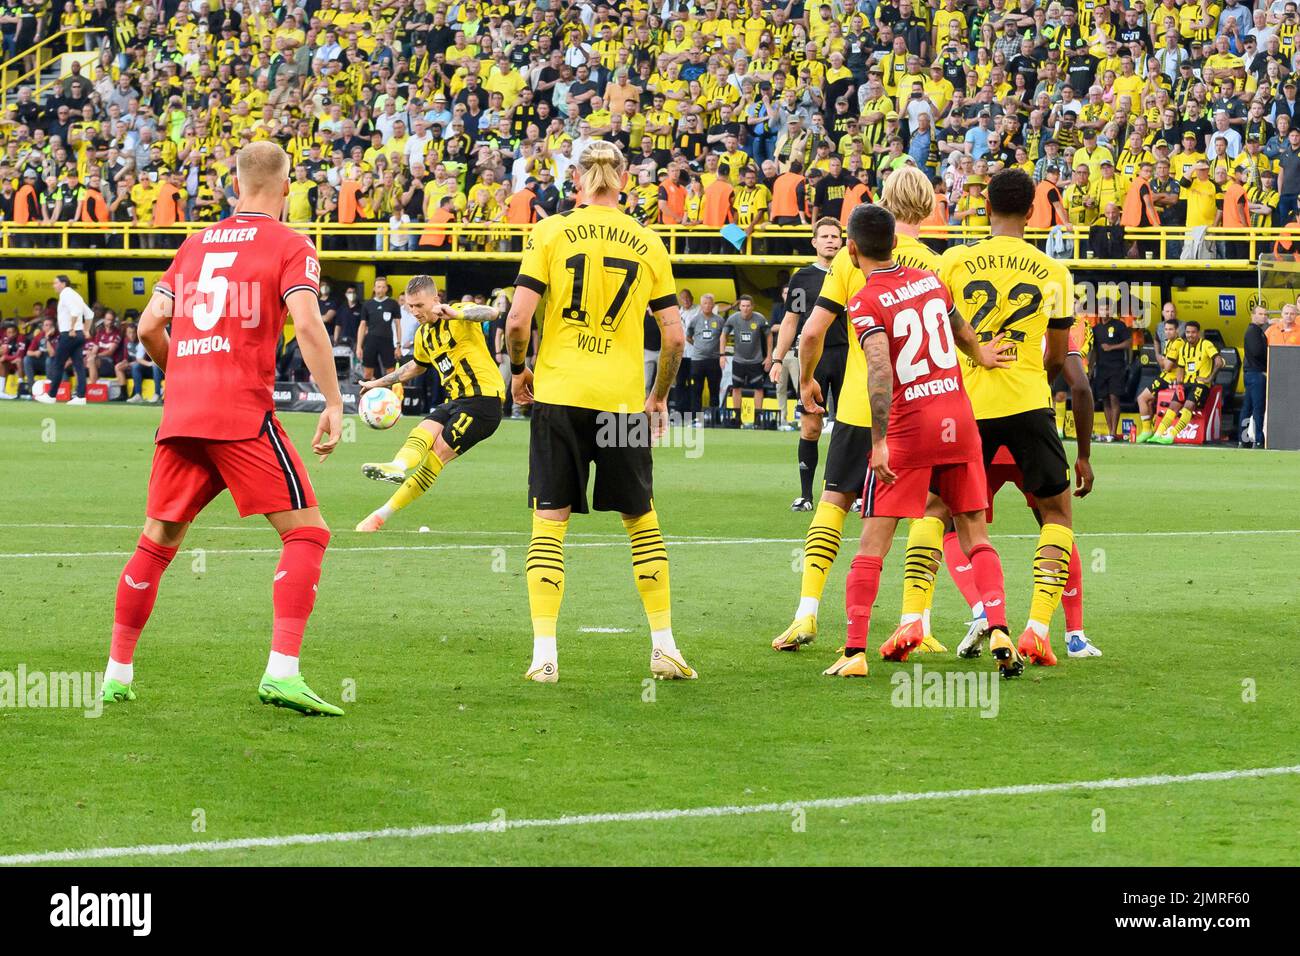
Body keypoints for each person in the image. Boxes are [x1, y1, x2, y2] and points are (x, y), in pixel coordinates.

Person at [99, 141, 345, 716]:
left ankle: (116, 674)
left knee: (156, 542)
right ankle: (282, 671)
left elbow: (148, 326)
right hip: (241, 414)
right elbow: (307, 322)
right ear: (287, 188)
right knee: (307, 534)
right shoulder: (290, 245)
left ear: (236, 184)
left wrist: (184, 373)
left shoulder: (194, 244)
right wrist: (333, 401)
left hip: (183, 413)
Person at [505, 140, 694, 684]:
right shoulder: (648, 241)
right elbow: (674, 335)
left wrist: (520, 369)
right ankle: (664, 647)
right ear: (624, 181)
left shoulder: (550, 231)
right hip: (620, 401)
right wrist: (657, 396)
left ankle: (545, 655)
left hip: (560, 395)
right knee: (641, 522)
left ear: (576, 181)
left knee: (549, 524)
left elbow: (519, 321)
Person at [824, 203, 1016, 678]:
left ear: (851, 249)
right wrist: (983, 357)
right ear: (894, 242)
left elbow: (879, 369)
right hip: (958, 415)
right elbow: (957, 327)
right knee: (975, 535)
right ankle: (998, 627)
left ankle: (853, 654)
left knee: (873, 544)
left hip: (911, 427)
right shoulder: (931, 281)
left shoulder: (865, 300)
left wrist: (881, 439)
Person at [937, 168, 1094, 669]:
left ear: (986, 208)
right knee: (1056, 516)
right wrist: (1029, 371)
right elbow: (1057, 354)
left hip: (967, 407)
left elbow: (942, 332)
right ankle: (1038, 629)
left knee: (943, 512)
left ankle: (924, 619)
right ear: (1034, 212)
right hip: (1029, 403)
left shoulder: (955, 261)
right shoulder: (1054, 270)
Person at [354, 277, 505, 532]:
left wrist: (456, 314)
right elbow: (415, 367)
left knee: (434, 457)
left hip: (484, 403)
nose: (414, 311)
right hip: (456, 400)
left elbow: (492, 312)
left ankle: (379, 516)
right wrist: (377, 383)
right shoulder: (424, 336)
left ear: (435, 300)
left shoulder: (460, 314)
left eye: (418, 305)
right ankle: (397, 466)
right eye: (410, 306)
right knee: (423, 430)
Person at [770, 217, 843, 509]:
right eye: (824, 236)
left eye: (835, 236)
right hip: (815, 357)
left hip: (850, 355)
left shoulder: (855, 273)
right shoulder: (803, 278)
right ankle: (806, 495)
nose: (830, 240)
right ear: (814, 242)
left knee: (853, 429)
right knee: (811, 426)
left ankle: (853, 494)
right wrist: (777, 358)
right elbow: (791, 321)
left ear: (842, 241)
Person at [1149, 320, 1223, 445]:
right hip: (1186, 384)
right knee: (1172, 407)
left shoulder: (1206, 344)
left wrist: (1209, 379)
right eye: (1188, 332)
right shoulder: (1183, 348)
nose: (1190, 335)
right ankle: (1157, 434)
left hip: (1201, 385)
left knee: (1188, 406)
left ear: (1198, 333)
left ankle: (1172, 435)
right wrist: (1179, 385)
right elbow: (1181, 369)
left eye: (1193, 332)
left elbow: (1219, 361)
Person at [36, 275, 94, 405]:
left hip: (69, 334)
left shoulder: (66, 294)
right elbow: (89, 313)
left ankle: (51, 396)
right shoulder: (76, 295)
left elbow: (75, 312)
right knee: (78, 366)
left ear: (63, 283)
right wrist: (86, 330)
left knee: (57, 364)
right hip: (79, 335)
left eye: (55, 283)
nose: (54, 285)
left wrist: (72, 328)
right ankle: (81, 397)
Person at [720, 295, 770, 428]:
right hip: (738, 360)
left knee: (759, 389)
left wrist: (769, 356)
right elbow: (723, 335)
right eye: (743, 306)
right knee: (736, 388)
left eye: (748, 306)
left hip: (756, 361)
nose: (746, 308)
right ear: (739, 307)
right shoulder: (733, 318)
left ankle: (757, 419)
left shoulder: (759, 318)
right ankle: (737, 418)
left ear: (752, 306)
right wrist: (722, 354)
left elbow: (769, 335)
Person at [1137, 315, 1186, 441]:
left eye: (1170, 329)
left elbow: (1167, 366)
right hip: (1164, 376)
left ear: (1177, 331)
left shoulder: (1178, 343)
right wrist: (1164, 361)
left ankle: (1147, 430)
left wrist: (1164, 361)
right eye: (1166, 329)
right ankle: (1148, 430)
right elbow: (1163, 364)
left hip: (1170, 379)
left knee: (1142, 398)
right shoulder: (1169, 342)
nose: (1168, 332)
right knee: (1146, 400)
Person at [1092, 303, 1132, 442]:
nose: (1105, 311)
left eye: (1108, 308)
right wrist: (1091, 368)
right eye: (1103, 308)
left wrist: (1112, 347)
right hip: (1102, 368)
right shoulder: (1096, 329)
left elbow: (1129, 343)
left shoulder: (1119, 325)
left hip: (1116, 367)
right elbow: (1094, 350)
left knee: (1114, 397)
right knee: (1105, 400)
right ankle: (1110, 432)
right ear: (1099, 311)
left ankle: (1114, 432)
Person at [685, 293, 725, 424]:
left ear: (713, 305)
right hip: (697, 360)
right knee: (696, 390)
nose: (707, 306)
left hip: (714, 360)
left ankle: (715, 418)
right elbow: (688, 336)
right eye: (705, 303)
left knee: (714, 389)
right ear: (701, 305)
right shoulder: (695, 320)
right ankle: (696, 418)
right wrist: (698, 346)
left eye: (709, 303)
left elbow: (723, 337)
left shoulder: (719, 320)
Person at [356, 277, 401, 380]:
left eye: (383, 287)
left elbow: (398, 325)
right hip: (371, 340)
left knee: (391, 372)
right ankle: (366, 395)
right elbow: (362, 325)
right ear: (374, 288)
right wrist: (359, 346)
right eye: (378, 287)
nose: (380, 289)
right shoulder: (367, 304)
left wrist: (398, 345)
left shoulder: (393, 304)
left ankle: (391, 395)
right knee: (368, 373)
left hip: (387, 340)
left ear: (386, 289)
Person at [1240, 305, 1268, 448]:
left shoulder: (1256, 331)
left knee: (1248, 407)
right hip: (1256, 373)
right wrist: (1268, 359)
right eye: (1260, 314)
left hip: (1250, 373)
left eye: (1265, 314)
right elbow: (1257, 352)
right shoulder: (1253, 332)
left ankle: (1243, 439)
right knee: (1257, 408)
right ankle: (1257, 439)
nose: (1263, 316)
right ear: (1253, 315)